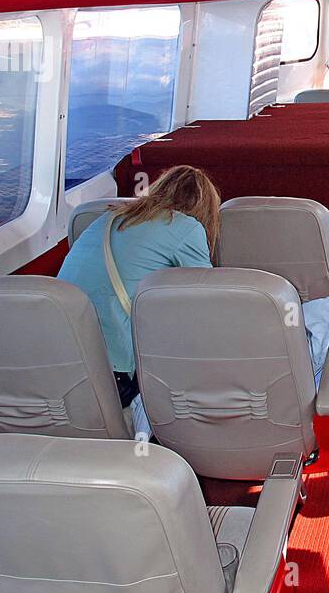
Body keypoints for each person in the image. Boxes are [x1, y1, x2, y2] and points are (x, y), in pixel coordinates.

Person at [58, 165, 220, 421]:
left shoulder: (107, 218)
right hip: (112, 376)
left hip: (60, 362)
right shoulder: (186, 226)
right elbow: (208, 300)